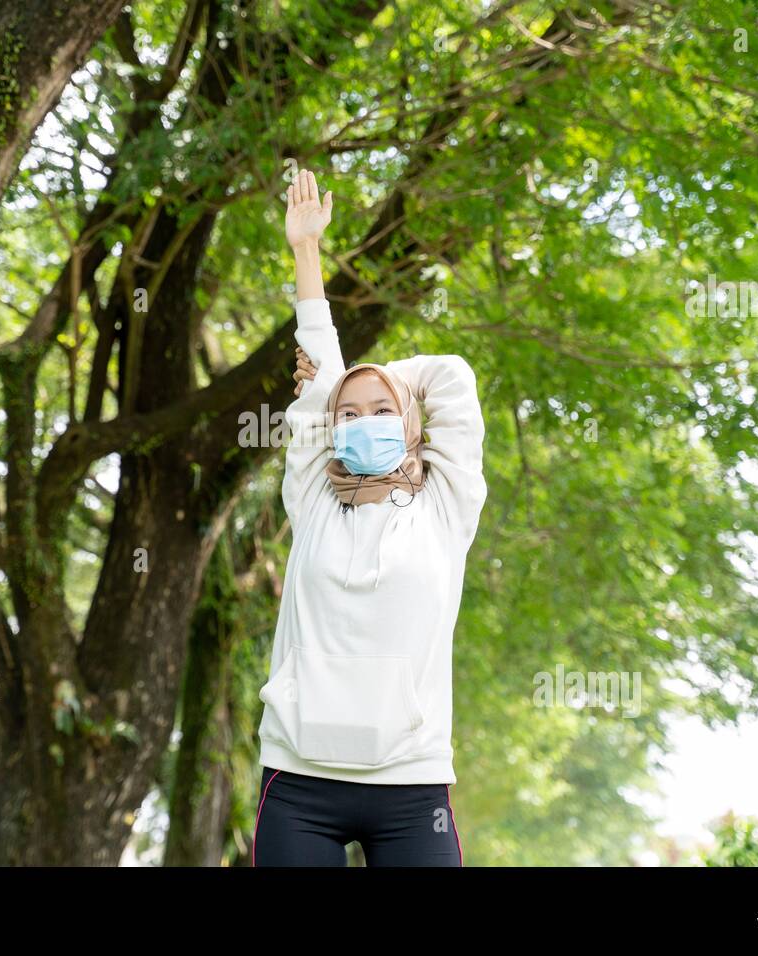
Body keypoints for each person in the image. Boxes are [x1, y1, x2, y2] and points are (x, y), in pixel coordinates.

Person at [252, 169, 488, 866]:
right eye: (347, 417)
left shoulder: (445, 509)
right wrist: (306, 253)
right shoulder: (314, 501)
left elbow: (453, 378)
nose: (364, 423)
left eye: (383, 413)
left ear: (412, 425)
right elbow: (321, 393)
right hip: (299, 779)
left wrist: (379, 376)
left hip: (412, 783)